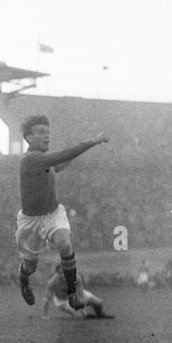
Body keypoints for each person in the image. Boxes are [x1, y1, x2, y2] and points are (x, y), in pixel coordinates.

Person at [15, 115, 108, 310]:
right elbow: (59, 158)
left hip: (53, 214)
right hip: (30, 222)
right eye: (41, 132)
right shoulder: (30, 159)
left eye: (48, 132)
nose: (47, 136)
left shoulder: (43, 159)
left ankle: (73, 293)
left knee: (65, 245)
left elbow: (59, 164)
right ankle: (23, 281)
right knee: (30, 267)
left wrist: (73, 157)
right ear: (29, 138)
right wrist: (93, 141)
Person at [41, 265, 113, 319]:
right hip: (62, 301)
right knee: (80, 316)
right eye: (60, 273)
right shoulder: (52, 282)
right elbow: (46, 300)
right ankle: (79, 314)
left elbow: (80, 293)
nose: (63, 275)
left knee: (99, 303)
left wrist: (80, 306)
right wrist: (45, 316)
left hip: (76, 296)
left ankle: (100, 315)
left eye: (64, 272)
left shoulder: (75, 277)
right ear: (56, 273)